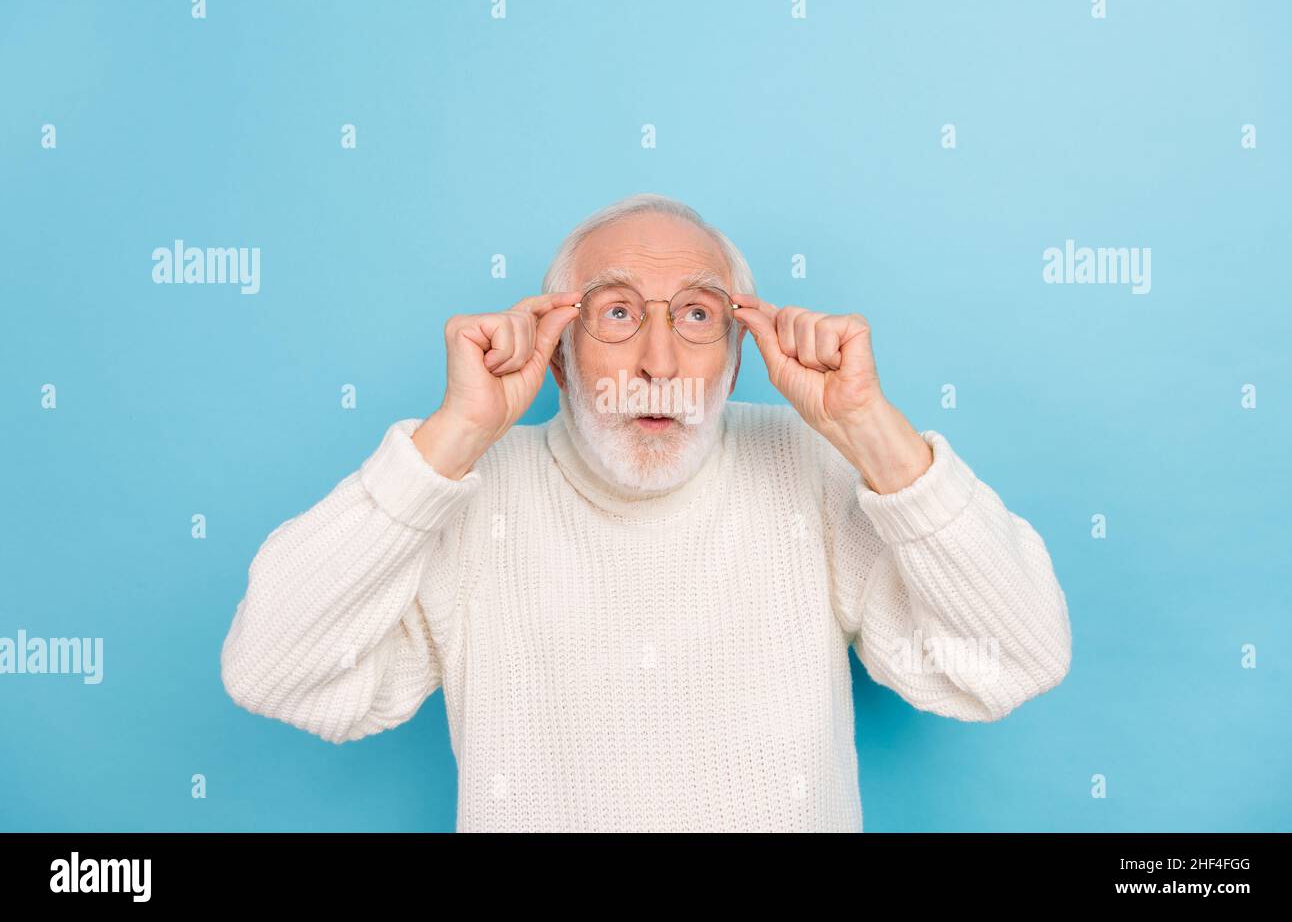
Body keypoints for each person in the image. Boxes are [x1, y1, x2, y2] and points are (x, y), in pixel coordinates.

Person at [219, 192, 1072, 832]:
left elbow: (1017, 659)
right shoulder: (469, 497)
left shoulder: (809, 468)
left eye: (697, 316)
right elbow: (274, 669)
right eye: (618, 313)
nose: (659, 360)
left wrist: (870, 434)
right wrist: (455, 434)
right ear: (556, 352)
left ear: (740, 359)